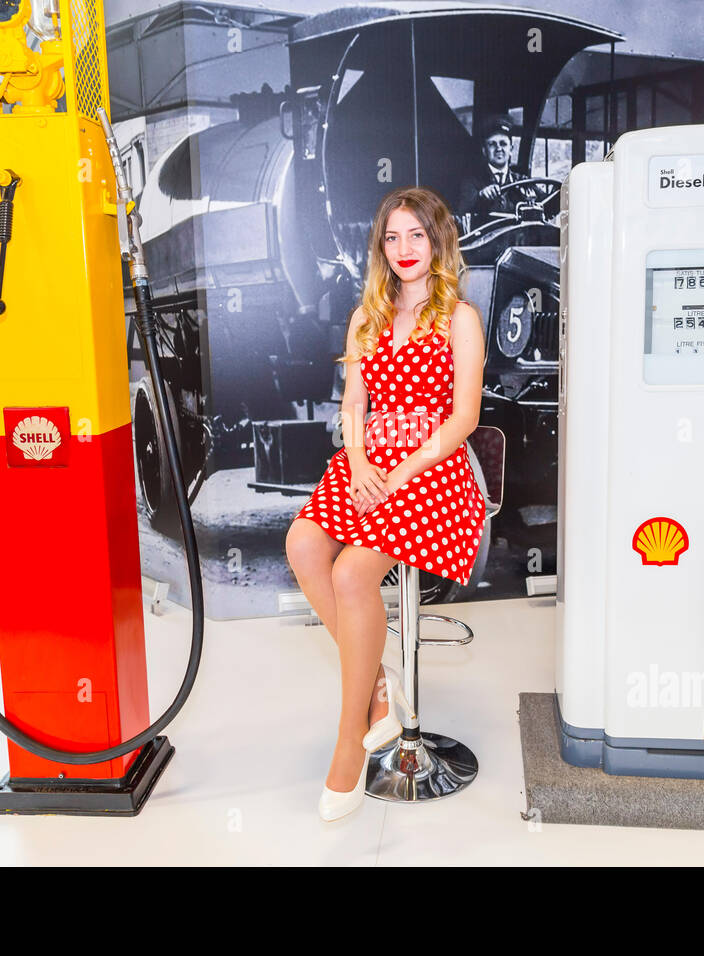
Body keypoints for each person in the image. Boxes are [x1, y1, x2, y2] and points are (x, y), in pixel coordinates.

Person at [285, 186, 487, 822]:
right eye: (392, 237)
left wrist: (401, 469)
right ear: (381, 246)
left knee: (352, 572)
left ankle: (349, 746)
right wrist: (364, 459)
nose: (404, 250)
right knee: (302, 544)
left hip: (434, 467)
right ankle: (377, 682)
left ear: (437, 241)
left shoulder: (459, 316)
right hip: (372, 462)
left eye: (417, 236)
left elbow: (464, 418)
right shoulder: (366, 315)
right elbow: (352, 406)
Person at [456, 115, 555, 218]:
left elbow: (550, 207)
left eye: (503, 144)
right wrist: (481, 196)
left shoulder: (522, 181)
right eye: (492, 144)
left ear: (511, 149)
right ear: (484, 151)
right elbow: (464, 210)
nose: (499, 148)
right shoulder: (472, 181)